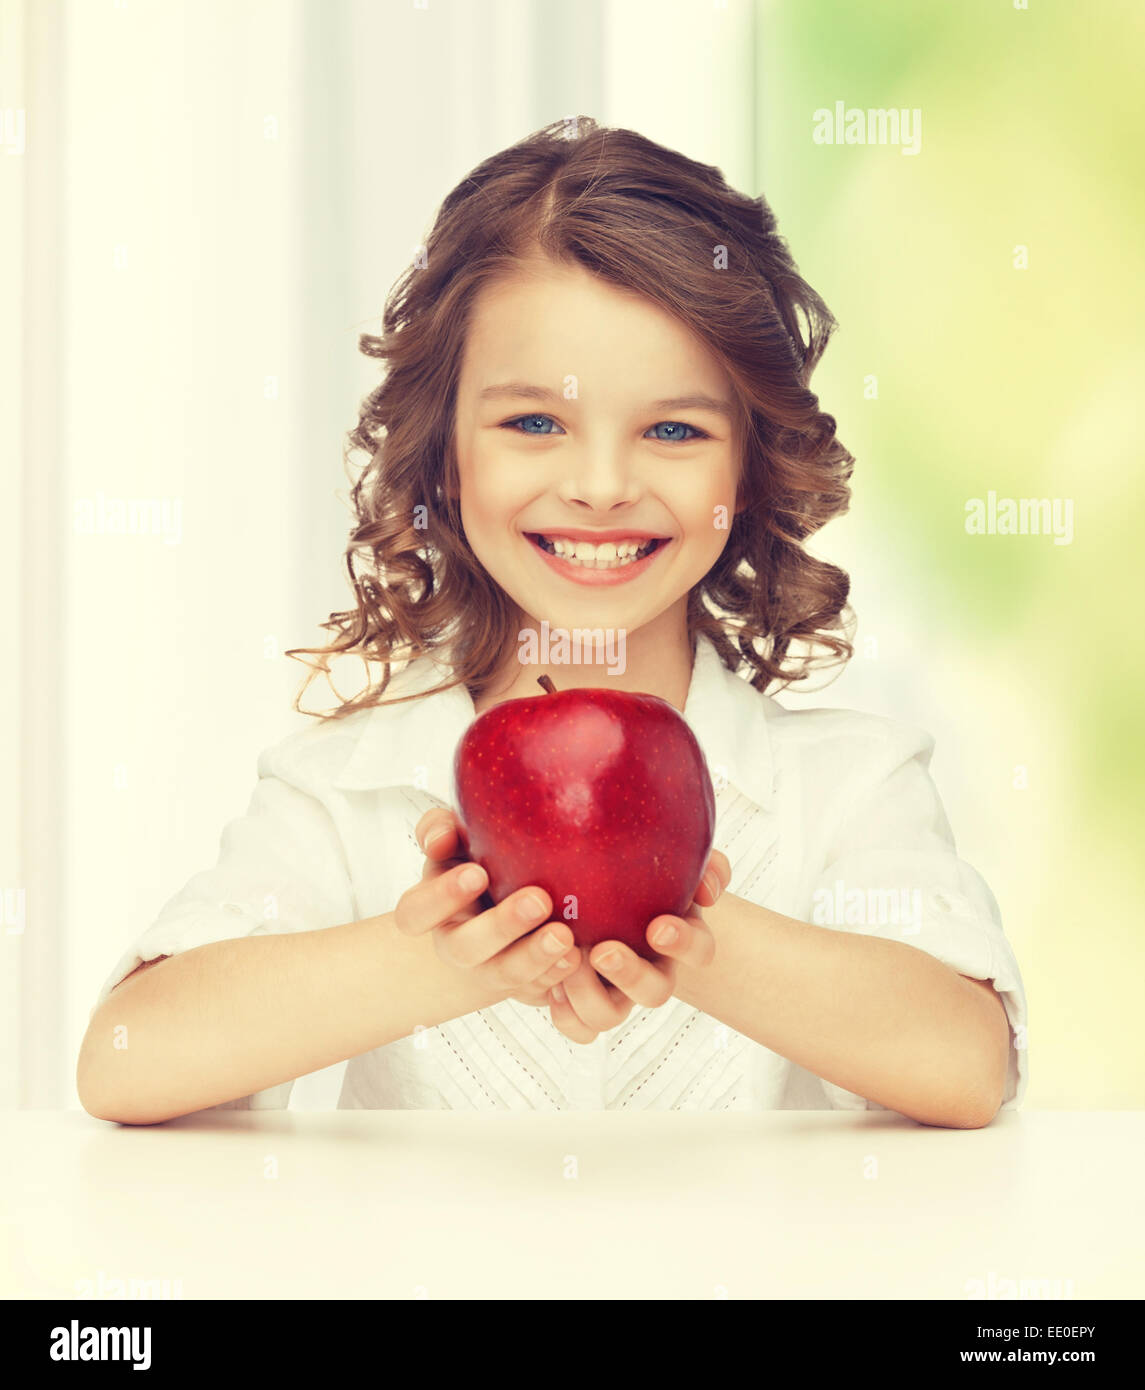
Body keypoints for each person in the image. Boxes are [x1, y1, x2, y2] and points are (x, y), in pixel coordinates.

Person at [78, 116, 1027, 1125]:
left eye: (671, 428)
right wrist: (437, 954)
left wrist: (681, 925)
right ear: (446, 454)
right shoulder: (345, 790)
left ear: (746, 471)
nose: (601, 485)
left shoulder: (841, 787)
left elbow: (965, 1065)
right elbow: (127, 1061)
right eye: (535, 423)